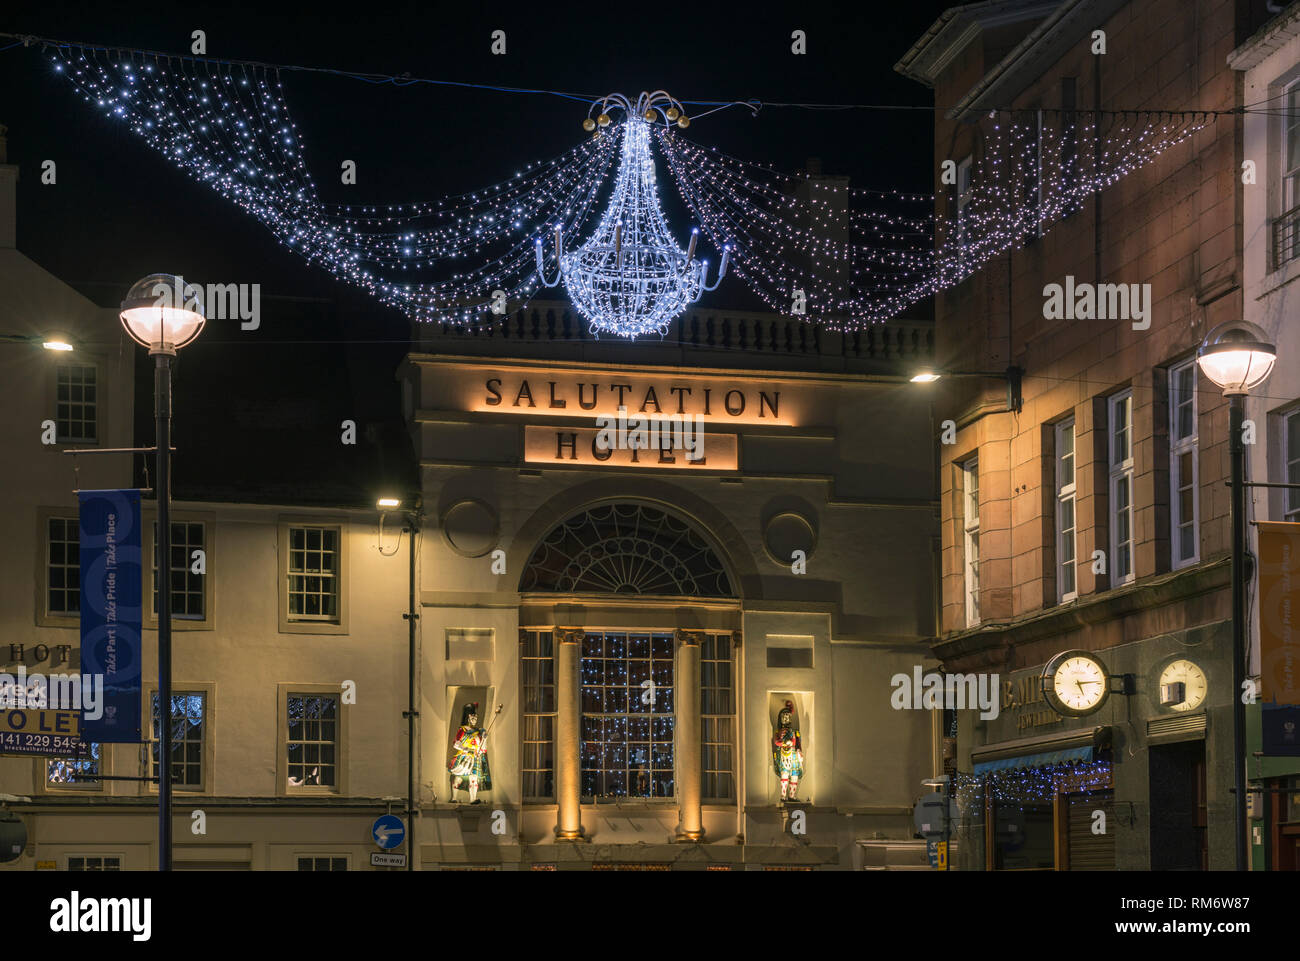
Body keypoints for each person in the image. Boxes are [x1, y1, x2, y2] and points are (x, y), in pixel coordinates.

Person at [449, 702, 491, 803]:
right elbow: (456, 743)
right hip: (464, 756)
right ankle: (453, 798)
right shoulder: (462, 730)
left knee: (474, 779)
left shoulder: (480, 731)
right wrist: (466, 749)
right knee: (458, 778)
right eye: (473, 718)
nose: (475, 720)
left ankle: (473, 799)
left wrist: (484, 739)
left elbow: (483, 748)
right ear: (468, 717)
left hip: (475, 757)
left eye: (476, 718)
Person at [772, 700, 804, 802]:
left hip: (793, 754)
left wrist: (799, 750)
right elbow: (776, 742)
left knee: (794, 775)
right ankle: (783, 796)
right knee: (784, 774)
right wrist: (784, 743)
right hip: (784, 754)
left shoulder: (795, 732)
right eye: (784, 717)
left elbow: (798, 742)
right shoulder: (778, 732)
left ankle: (792, 796)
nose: (786, 719)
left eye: (788, 717)